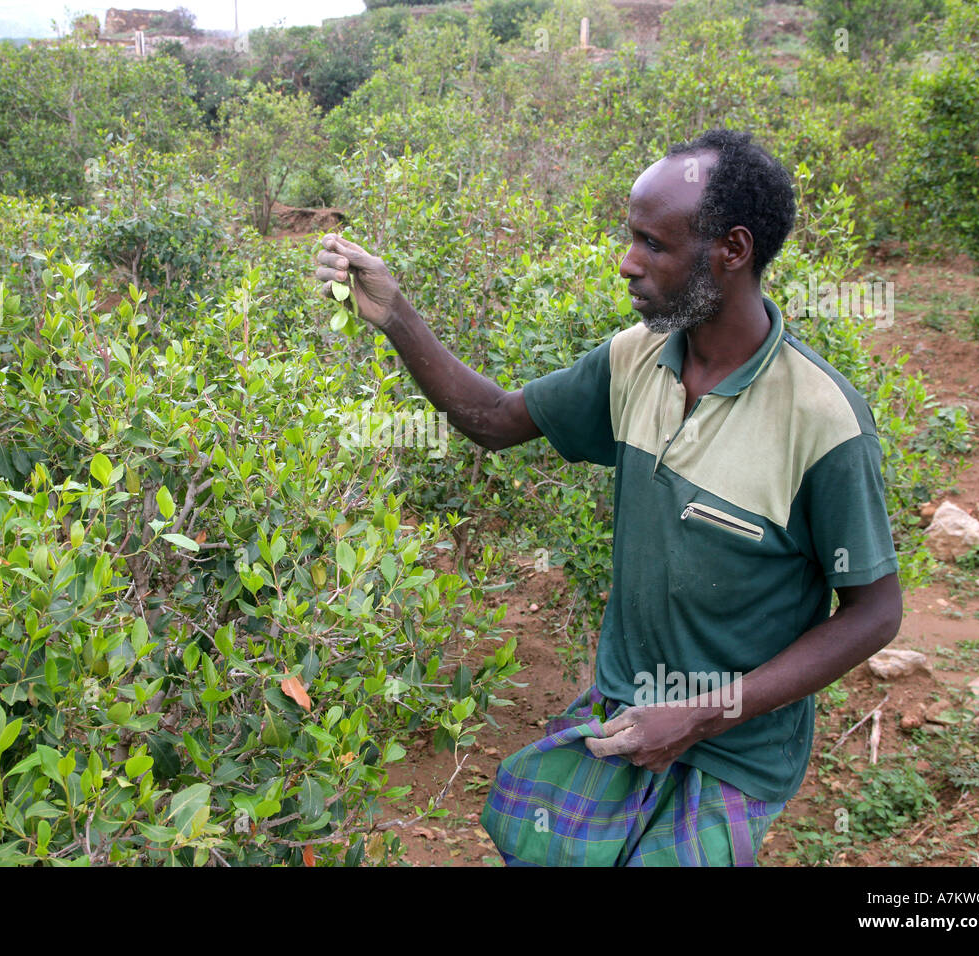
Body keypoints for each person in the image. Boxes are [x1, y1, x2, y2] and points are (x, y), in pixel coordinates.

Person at [313, 128, 903, 866]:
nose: (628, 264)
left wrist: (701, 714)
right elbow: (496, 420)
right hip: (625, 711)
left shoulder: (821, 420)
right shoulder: (635, 359)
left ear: (734, 249)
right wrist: (396, 314)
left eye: (652, 243)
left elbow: (876, 613)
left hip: (736, 752)